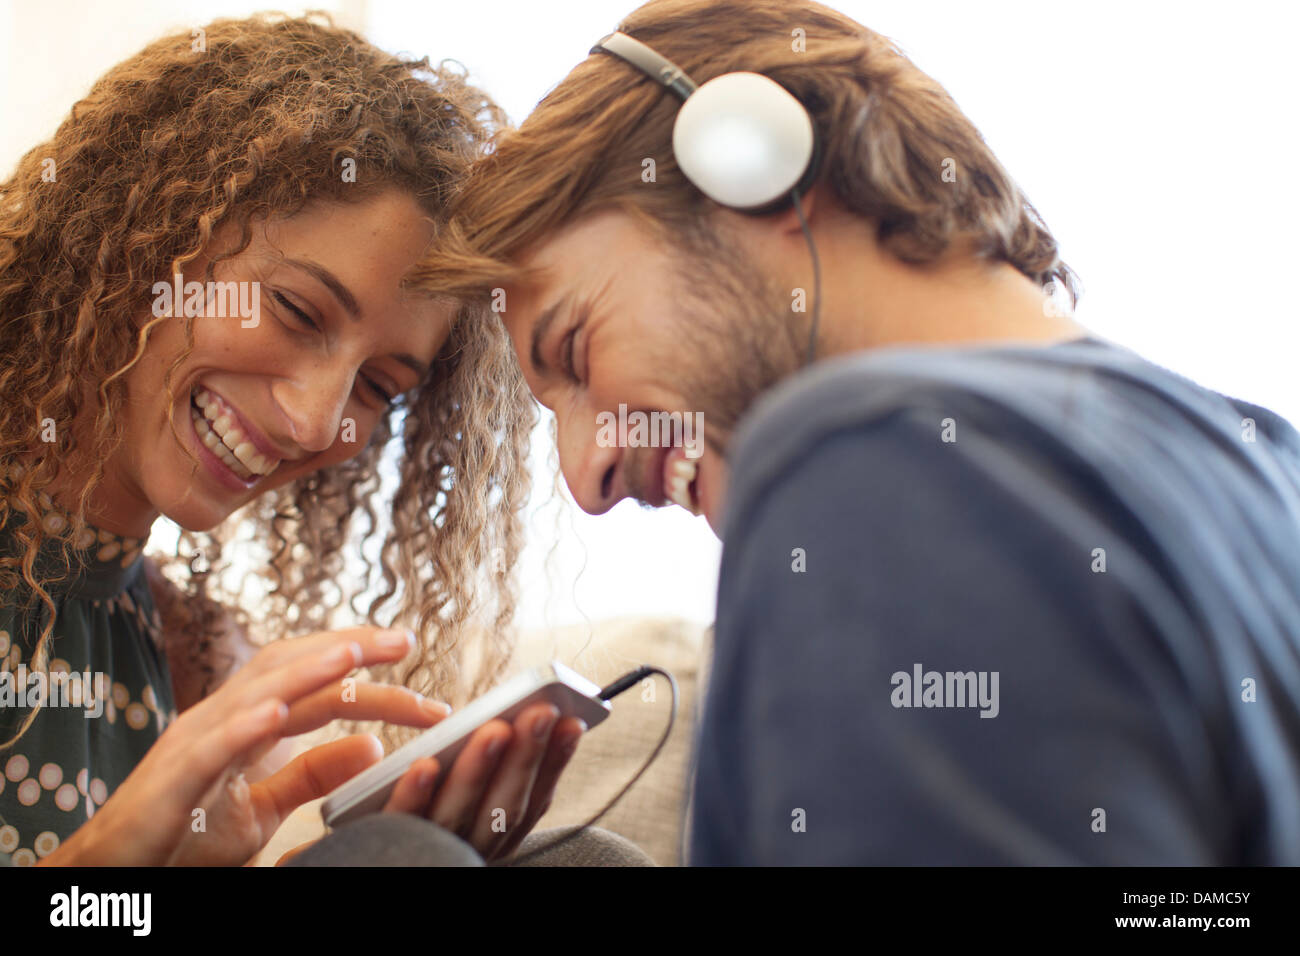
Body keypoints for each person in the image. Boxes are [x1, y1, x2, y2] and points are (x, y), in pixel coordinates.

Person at [413, 0, 1300, 864]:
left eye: (574, 345)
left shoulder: (883, 466)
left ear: (754, 159)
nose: (584, 476)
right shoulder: (1258, 460)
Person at [0, 13, 590, 867]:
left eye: (379, 386)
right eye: (297, 310)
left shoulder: (199, 658)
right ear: (146, 241)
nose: (317, 422)